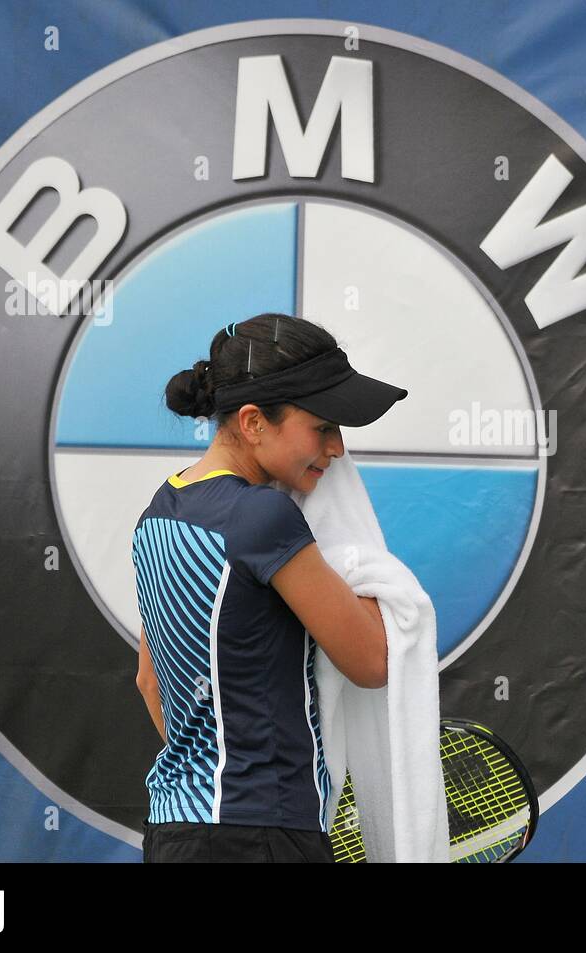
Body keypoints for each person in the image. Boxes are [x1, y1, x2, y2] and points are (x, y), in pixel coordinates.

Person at [132, 312, 408, 862]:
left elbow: (147, 681)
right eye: (323, 427)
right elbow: (374, 660)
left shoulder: (158, 511)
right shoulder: (264, 517)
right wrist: (362, 546)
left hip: (177, 831)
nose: (337, 450)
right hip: (261, 836)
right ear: (254, 422)